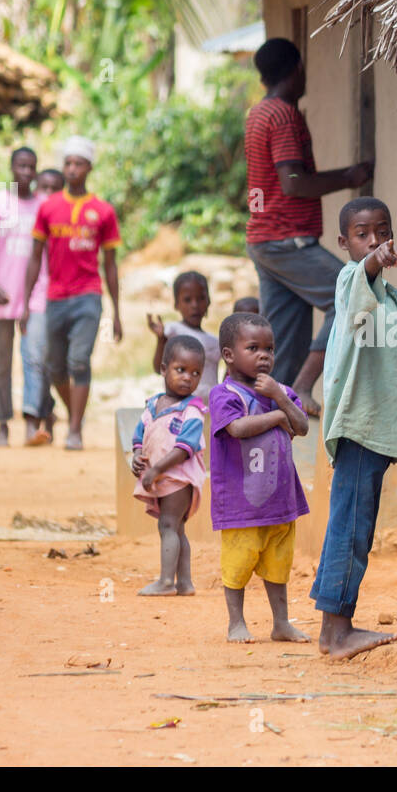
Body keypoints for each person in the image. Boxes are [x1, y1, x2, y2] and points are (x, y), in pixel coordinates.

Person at [310, 197, 397, 659]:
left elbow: (383, 342)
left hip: (369, 428)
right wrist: (374, 259)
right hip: (358, 426)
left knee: (354, 522)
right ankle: (336, 631)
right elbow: (361, 278)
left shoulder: (385, 296)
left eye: (381, 232)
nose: (374, 241)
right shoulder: (353, 278)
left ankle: (337, 623)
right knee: (350, 525)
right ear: (343, 242)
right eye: (362, 234)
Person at [243, 37, 374, 416]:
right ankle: (302, 386)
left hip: (265, 241)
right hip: (287, 240)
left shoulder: (257, 114)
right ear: (297, 69)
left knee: (281, 341)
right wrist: (349, 176)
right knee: (354, 291)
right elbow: (293, 182)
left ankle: (265, 417)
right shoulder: (283, 115)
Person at [208, 312, 312, 643]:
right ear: (229, 355)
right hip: (240, 504)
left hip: (281, 501)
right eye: (253, 348)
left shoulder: (280, 391)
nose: (264, 355)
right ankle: (235, 622)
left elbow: (303, 427)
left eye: (269, 348)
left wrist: (281, 399)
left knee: (278, 566)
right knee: (237, 565)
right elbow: (236, 428)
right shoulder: (224, 394)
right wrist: (277, 416)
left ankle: (281, 623)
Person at [21, 137, 122, 451]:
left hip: (88, 297)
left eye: (79, 163)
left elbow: (110, 263)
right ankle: (74, 412)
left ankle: (75, 429)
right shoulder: (48, 208)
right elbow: (35, 256)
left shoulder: (103, 211)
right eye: (68, 163)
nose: (73, 169)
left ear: (89, 167)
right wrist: (25, 303)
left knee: (80, 361)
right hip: (55, 298)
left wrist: (117, 312)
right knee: (55, 367)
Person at [0, 146, 55, 448]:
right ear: (11, 168)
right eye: (20, 166)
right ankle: (3, 424)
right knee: (2, 365)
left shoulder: (43, 207)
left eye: (31, 167)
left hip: (36, 297)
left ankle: (32, 425)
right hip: (3, 298)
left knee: (35, 359)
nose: (26, 172)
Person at [131, 335, 207, 597]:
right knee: (176, 527)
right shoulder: (152, 405)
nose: (188, 377)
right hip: (163, 477)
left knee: (167, 525)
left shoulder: (193, 411)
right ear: (163, 369)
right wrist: (138, 455)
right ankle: (184, 582)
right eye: (180, 370)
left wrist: (156, 470)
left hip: (179, 477)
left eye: (195, 373)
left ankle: (166, 582)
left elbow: (184, 449)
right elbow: (139, 434)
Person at [147, 271, 220, 401]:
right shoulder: (173, 331)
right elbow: (158, 368)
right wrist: (161, 340)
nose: (195, 305)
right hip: (179, 406)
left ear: (209, 301)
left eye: (201, 298)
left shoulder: (215, 341)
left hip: (208, 407)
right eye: (187, 300)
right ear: (176, 304)